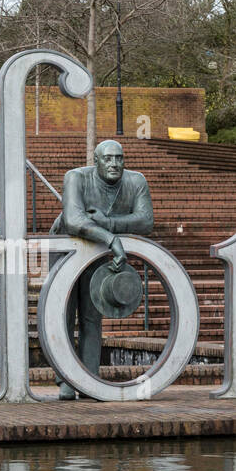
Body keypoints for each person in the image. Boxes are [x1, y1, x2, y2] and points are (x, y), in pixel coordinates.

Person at [49, 139, 154, 400]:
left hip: (98, 253)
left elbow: (146, 220)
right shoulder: (76, 177)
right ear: (95, 161)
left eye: (119, 158)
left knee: (92, 317)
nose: (114, 163)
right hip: (67, 249)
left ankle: (89, 380)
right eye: (107, 159)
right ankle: (66, 378)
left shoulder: (136, 182)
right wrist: (111, 238)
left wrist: (108, 223)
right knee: (64, 314)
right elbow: (74, 220)